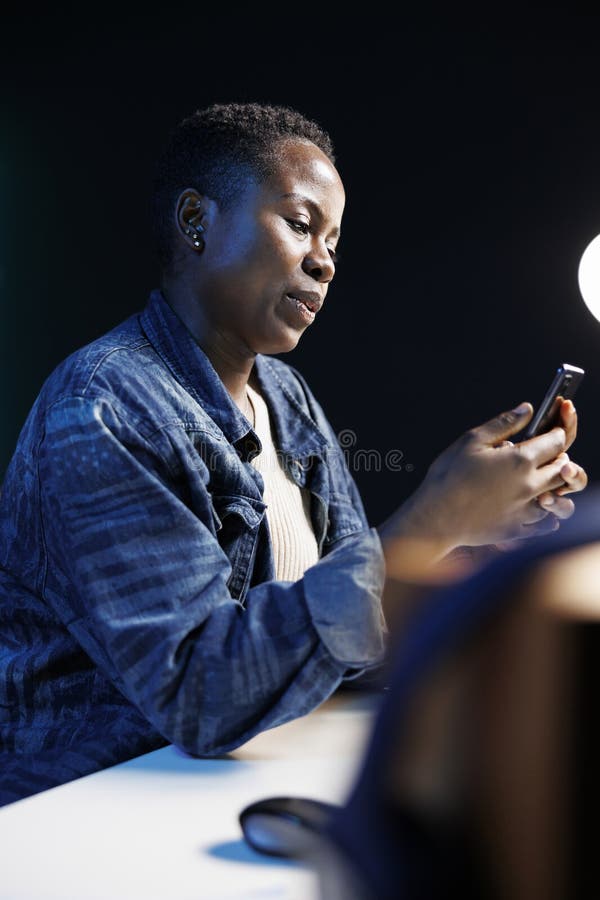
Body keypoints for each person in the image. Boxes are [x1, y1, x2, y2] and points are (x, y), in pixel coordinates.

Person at [0, 102, 588, 806]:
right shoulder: (100, 409)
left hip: (228, 786)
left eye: (334, 241)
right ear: (196, 222)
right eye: (301, 223)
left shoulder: (286, 397)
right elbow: (201, 695)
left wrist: (467, 532)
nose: (325, 261)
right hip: (87, 810)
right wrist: (430, 521)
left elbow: (335, 636)